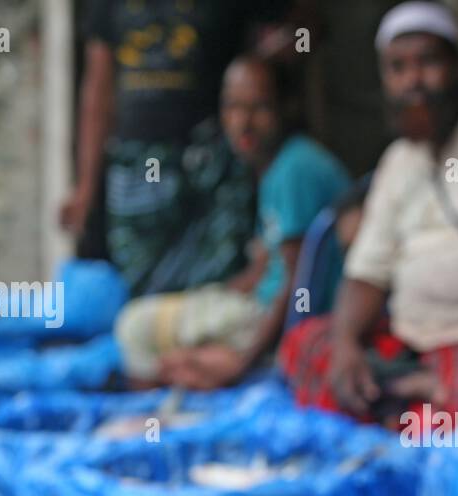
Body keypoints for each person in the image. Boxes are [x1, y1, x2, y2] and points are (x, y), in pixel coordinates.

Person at [280, 1, 458, 419]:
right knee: (305, 345)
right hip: (409, 341)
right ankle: (414, 394)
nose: (413, 80)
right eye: (398, 68)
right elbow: (368, 270)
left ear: (457, 66)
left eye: (427, 62)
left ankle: (401, 401)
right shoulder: (399, 159)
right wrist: (346, 345)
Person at [114, 55, 350, 389]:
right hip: (262, 311)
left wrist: (246, 361)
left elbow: (299, 282)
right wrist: (211, 297)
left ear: (286, 107)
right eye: (234, 107)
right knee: (169, 339)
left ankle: (167, 410)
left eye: (259, 108)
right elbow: (269, 266)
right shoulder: (276, 167)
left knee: (134, 327)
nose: (244, 122)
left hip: (283, 321)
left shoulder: (295, 170)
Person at [61, 0, 292, 295]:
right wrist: (85, 187)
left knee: (216, 276)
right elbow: (97, 91)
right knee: (144, 283)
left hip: (210, 166)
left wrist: (256, 73)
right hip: (138, 170)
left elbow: (305, 25)